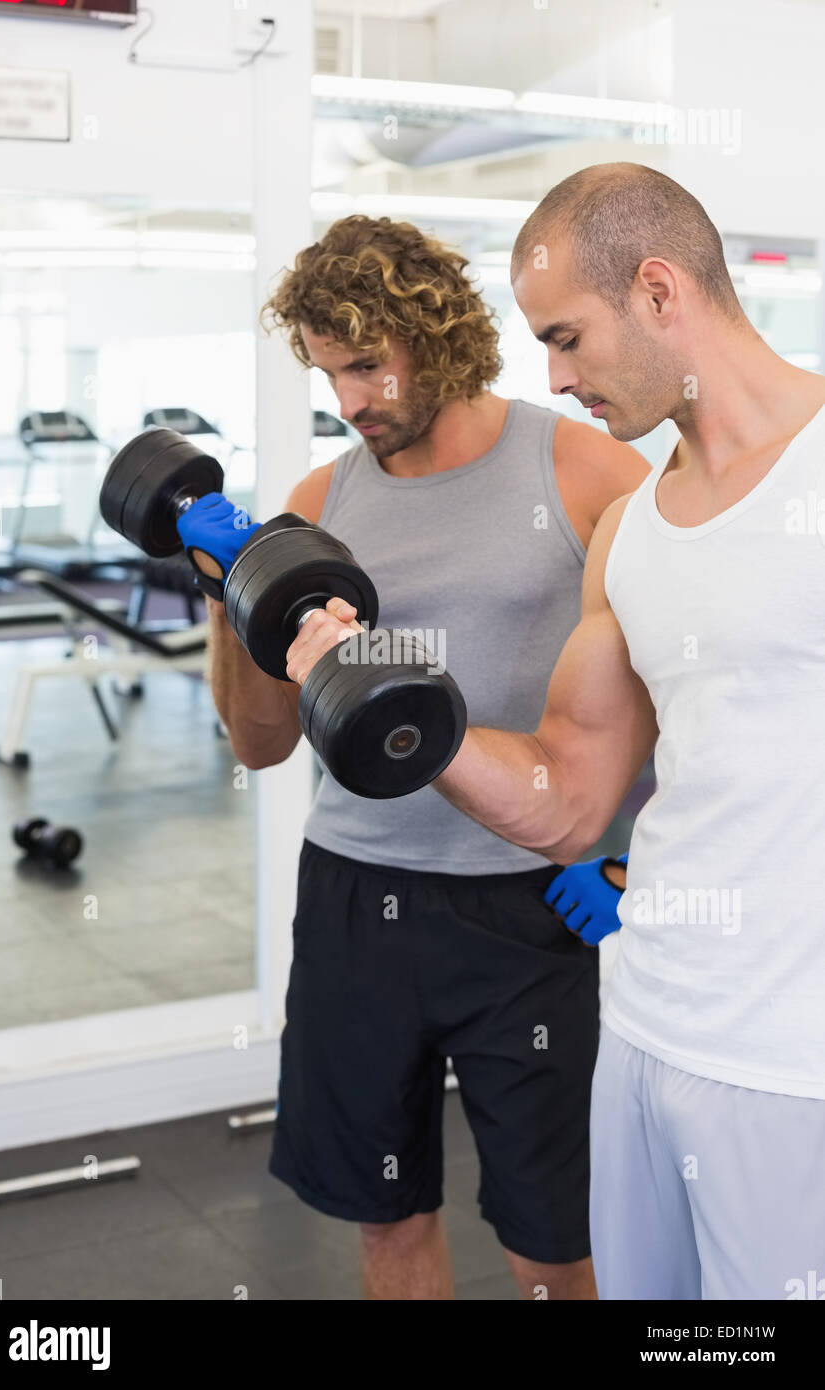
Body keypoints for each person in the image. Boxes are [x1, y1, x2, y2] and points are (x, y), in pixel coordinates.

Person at [287, 165, 825, 1301]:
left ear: (659, 290)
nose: (554, 375)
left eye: (568, 338)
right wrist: (388, 703)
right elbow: (568, 793)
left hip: (793, 1061)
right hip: (643, 1028)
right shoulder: (635, 526)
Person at [181, 214, 648, 1300]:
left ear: (434, 336)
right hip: (356, 895)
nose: (348, 402)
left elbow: (671, 680)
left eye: (363, 364)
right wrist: (229, 598)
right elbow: (258, 744)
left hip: (528, 902)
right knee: (386, 1219)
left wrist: (624, 846)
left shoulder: (581, 467)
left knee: (549, 1236)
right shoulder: (317, 505)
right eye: (325, 373)